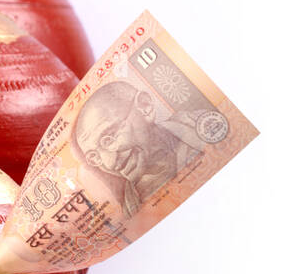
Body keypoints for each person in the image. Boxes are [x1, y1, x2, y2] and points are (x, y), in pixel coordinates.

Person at [72, 80, 206, 216]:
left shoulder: (204, 127)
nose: (110, 163)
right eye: (94, 156)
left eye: (110, 136)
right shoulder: (131, 210)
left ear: (144, 107)